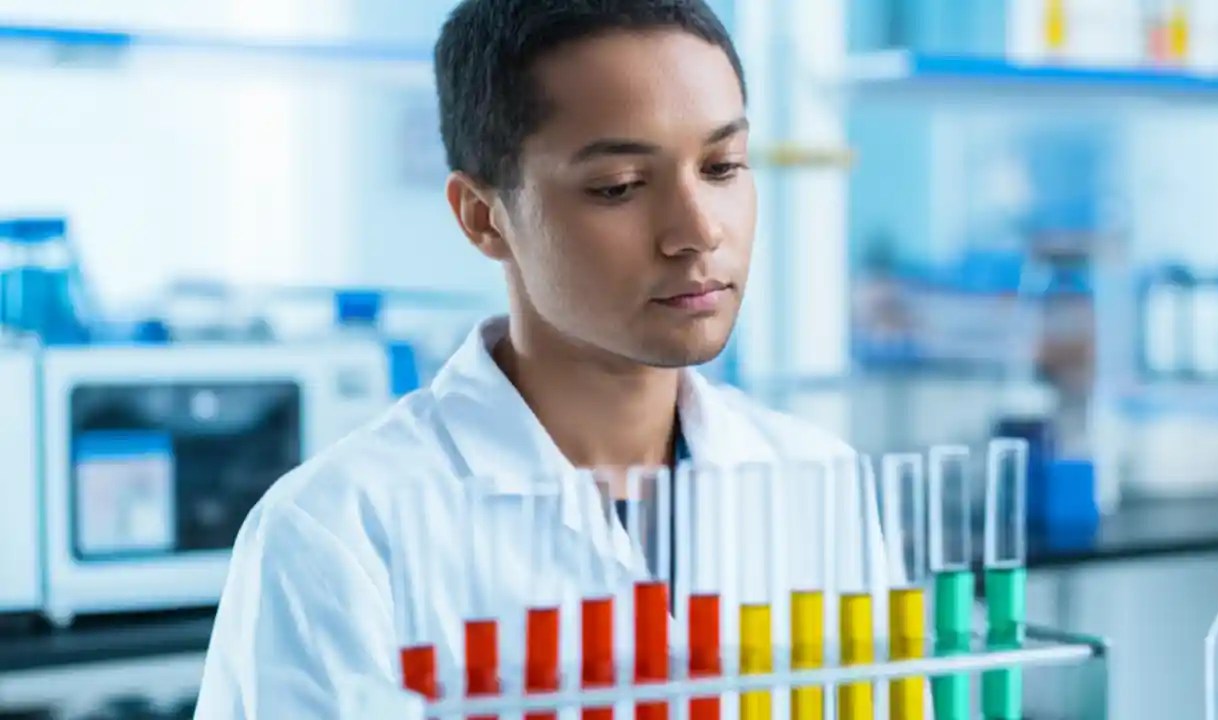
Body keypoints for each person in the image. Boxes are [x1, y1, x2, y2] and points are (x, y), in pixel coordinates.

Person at [194, 1, 889, 717]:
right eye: (618, 185)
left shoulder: (819, 483)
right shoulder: (338, 536)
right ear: (482, 216)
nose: (698, 231)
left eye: (722, 166)